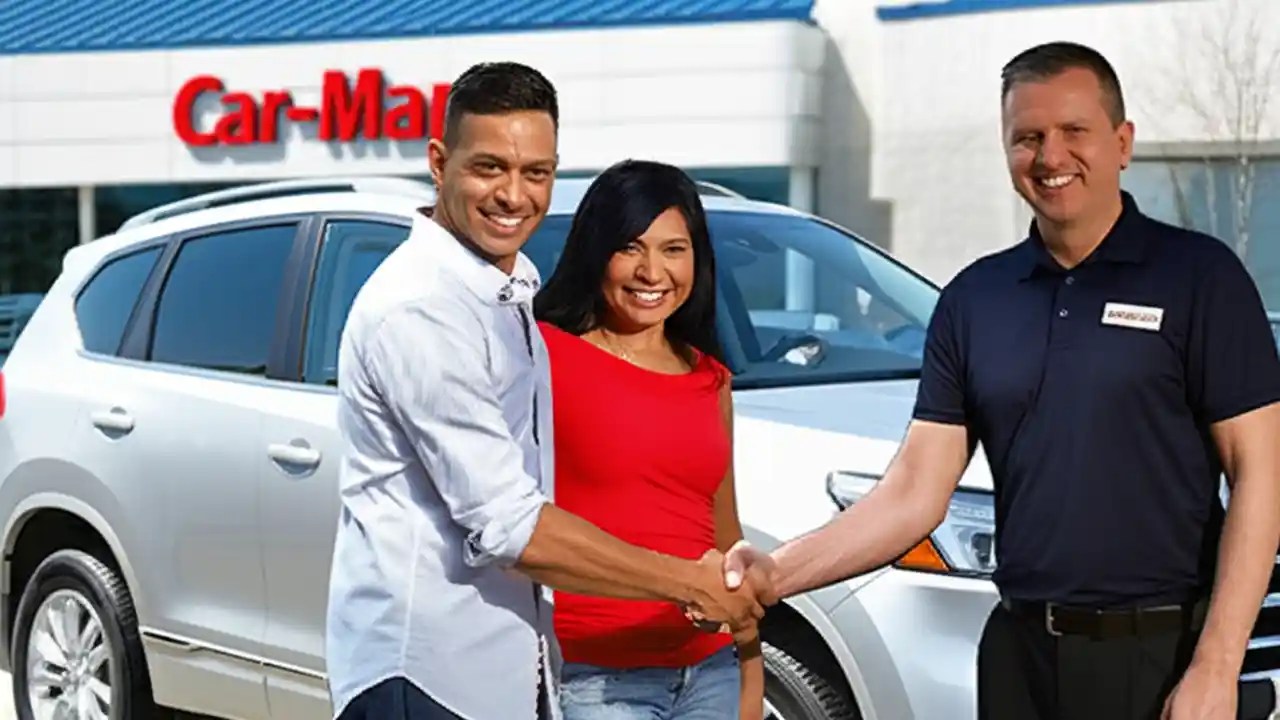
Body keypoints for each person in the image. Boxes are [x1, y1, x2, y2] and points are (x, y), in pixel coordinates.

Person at [719, 41, 1280, 720]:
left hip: (1159, 660)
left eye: (1075, 131)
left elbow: (1259, 474)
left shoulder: (1200, 279)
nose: (1050, 157)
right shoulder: (975, 301)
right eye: (1028, 137)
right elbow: (911, 494)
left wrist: (1217, 665)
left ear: (1122, 142)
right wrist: (776, 575)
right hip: (1017, 660)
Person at [325, 61, 772, 720]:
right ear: (438, 162)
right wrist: (687, 582)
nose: (514, 195)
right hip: (424, 674)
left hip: (504, 667)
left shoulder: (508, 292)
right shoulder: (420, 308)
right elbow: (508, 523)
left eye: (536, 173)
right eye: (488, 168)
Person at [533, 159, 765, 720]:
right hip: (596, 678)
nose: (652, 271)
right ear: (596, 252)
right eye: (631, 247)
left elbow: (726, 535)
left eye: (673, 250)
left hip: (709, 672)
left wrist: (750, 674)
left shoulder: (711, 378)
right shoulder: (545, 356)